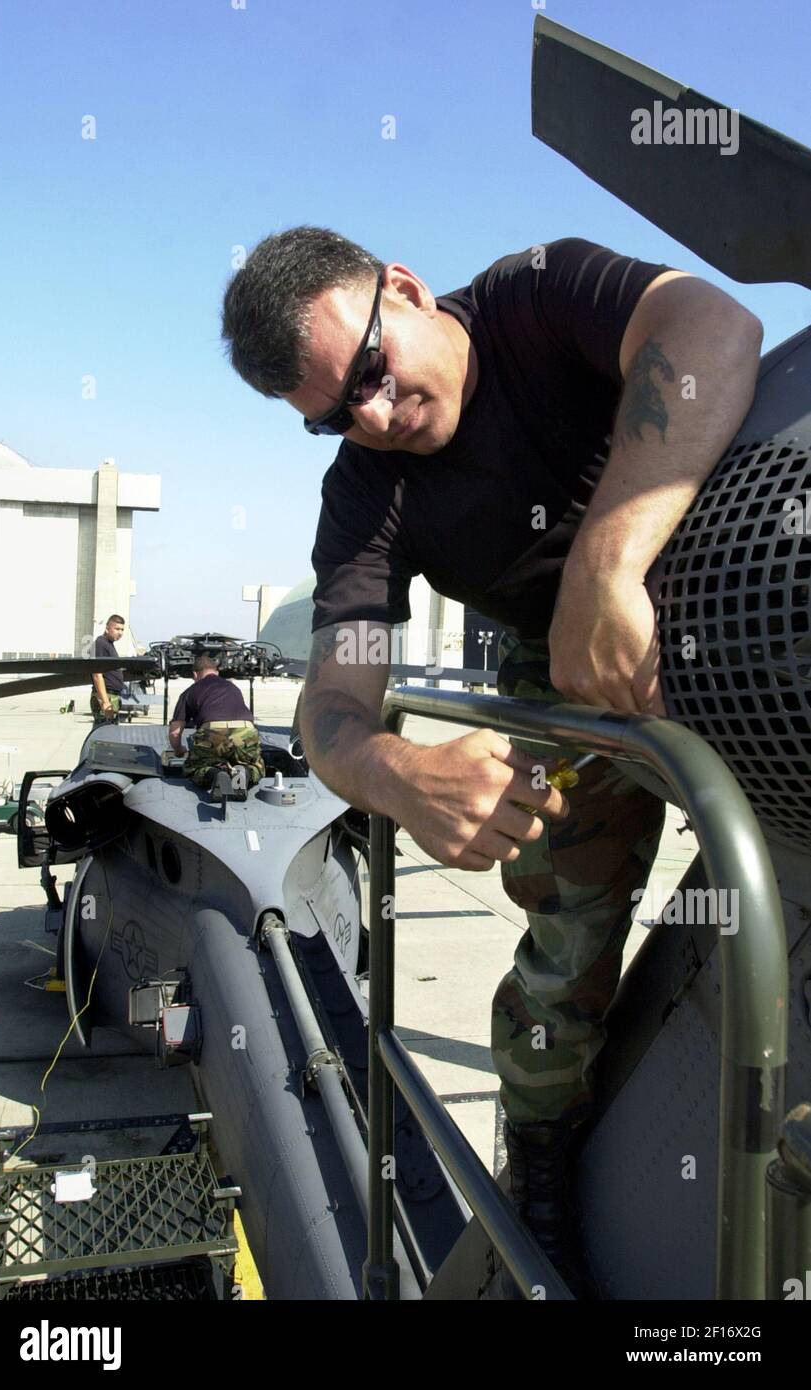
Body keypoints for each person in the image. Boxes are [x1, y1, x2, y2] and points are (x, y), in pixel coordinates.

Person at [220, 227, 762, 1295]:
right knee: (561, 956)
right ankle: (544, 1155)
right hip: (554, 693)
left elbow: (712, 325)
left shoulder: (536, 293)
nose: (372, 421)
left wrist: (603, 569)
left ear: (409, 291)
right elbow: (334, 698)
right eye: (335, 416)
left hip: (712, 582)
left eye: (370, 373)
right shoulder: (365, 497)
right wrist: (390, 773)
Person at [168, 655, 265, 788]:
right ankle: (245, 773)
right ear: (217, 672)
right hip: (245, 731)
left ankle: (215, 775)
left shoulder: (189, 692)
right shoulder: (233, 687)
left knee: (195, 768)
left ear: (195, 674)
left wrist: (178, 750)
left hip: (212, 733)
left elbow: (175, 732)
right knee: (256, 766)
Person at [90, 614, 126, 723]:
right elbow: (96, 674)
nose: (120, 632)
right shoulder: (101, 643)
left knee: (109, 734)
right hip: (107, 696)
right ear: (107, 628)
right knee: (103, 733)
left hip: (112, 696)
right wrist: (105, 702)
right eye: (117, 629)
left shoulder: (109, 644)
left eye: (122, 629)